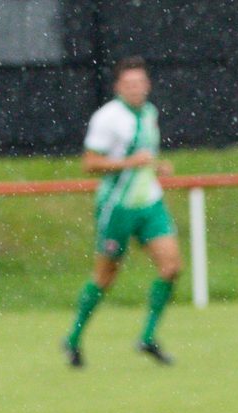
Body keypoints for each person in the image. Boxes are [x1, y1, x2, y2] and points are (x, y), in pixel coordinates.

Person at [61, 57, 181, 369]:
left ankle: (148, 336)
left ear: (148, 84)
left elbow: (145, 154)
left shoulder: (150, 112)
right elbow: (90, 163)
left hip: (149, 203)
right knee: (105, 276)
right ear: (118, 87)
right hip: (117, 207)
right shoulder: (107, 118)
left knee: (171, 267)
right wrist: (129, 164)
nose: (136, 89)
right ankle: (73, 338)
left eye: (140, 83)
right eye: (129, 84)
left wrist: (157, 166)